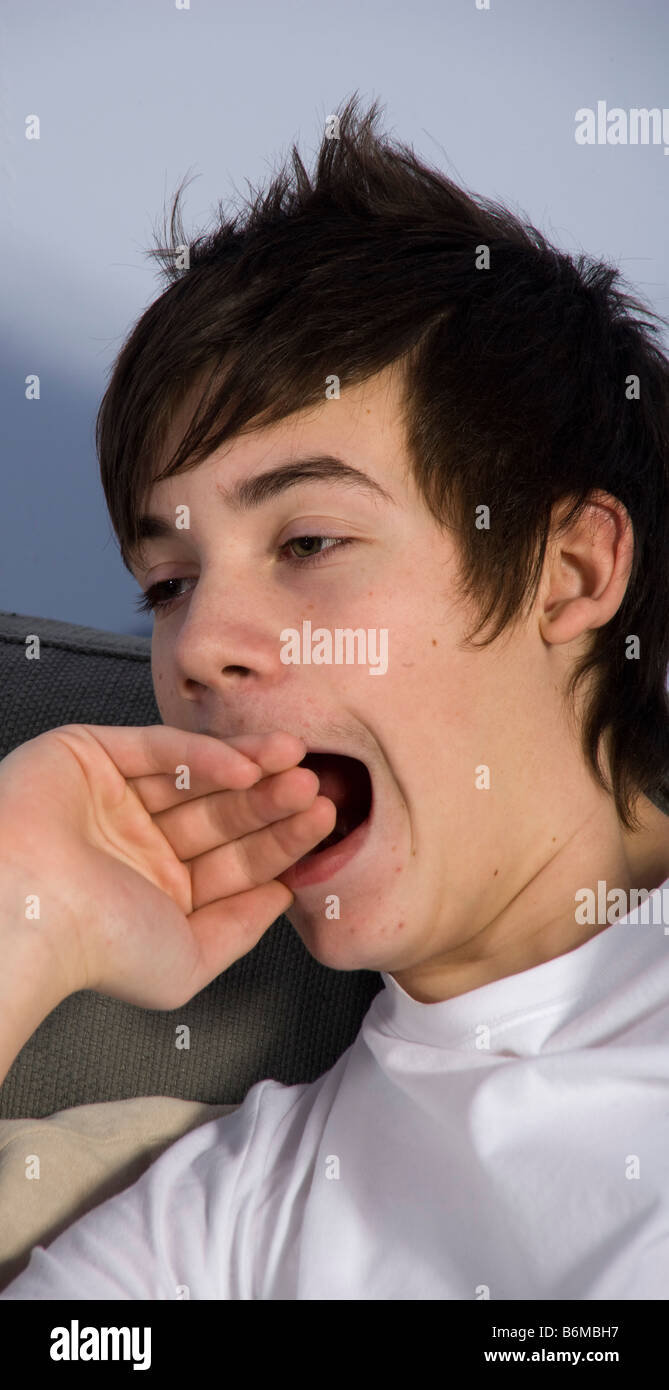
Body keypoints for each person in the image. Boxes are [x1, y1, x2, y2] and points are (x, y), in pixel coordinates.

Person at [1, 93, 669, 1300]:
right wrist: (19, 912)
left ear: (571, 570)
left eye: (307, 540)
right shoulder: (224, 1223)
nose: (199, 645)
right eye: (165, 585)